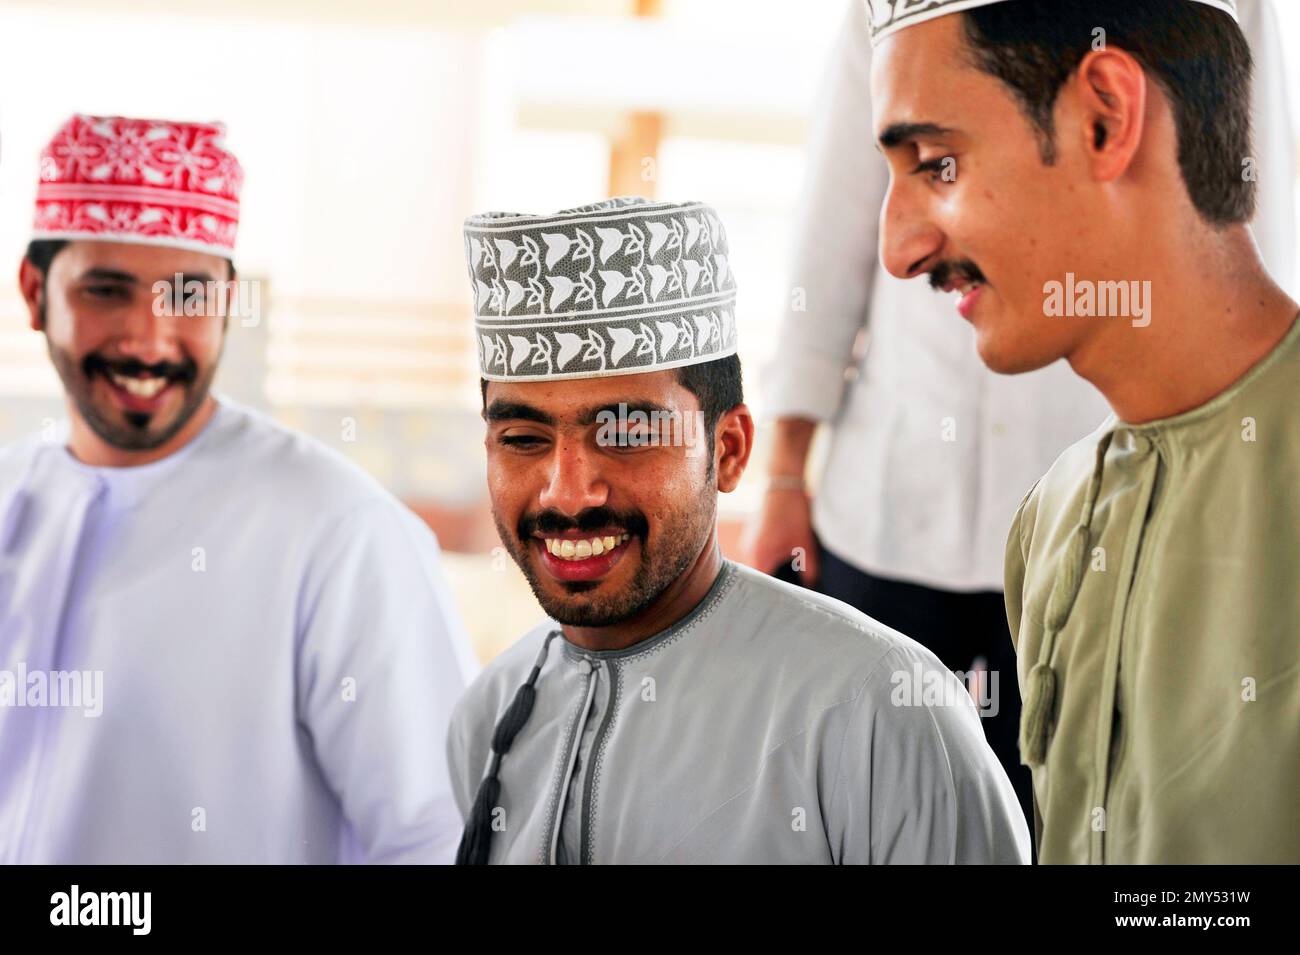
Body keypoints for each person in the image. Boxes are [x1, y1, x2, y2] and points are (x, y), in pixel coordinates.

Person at [741, 0, 1294, 841]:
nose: (901, 252)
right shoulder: (1056, 524)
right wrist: (785, 469)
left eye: (938, 164)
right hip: (897, 511)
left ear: (1107, 118)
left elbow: (1244, 193)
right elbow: (827, 233)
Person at [446, 196, 1029, 864]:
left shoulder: (880, 711)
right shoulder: (488, 717)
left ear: (727, 449)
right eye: (522, 437)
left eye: (628, 434)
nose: (569, 492)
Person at [0, 114, 478, 863]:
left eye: (188, 294)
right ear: (36, 292)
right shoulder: (9, 498)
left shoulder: (338, 529)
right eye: (106, 290)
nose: (149, 338)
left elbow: (441, 838)